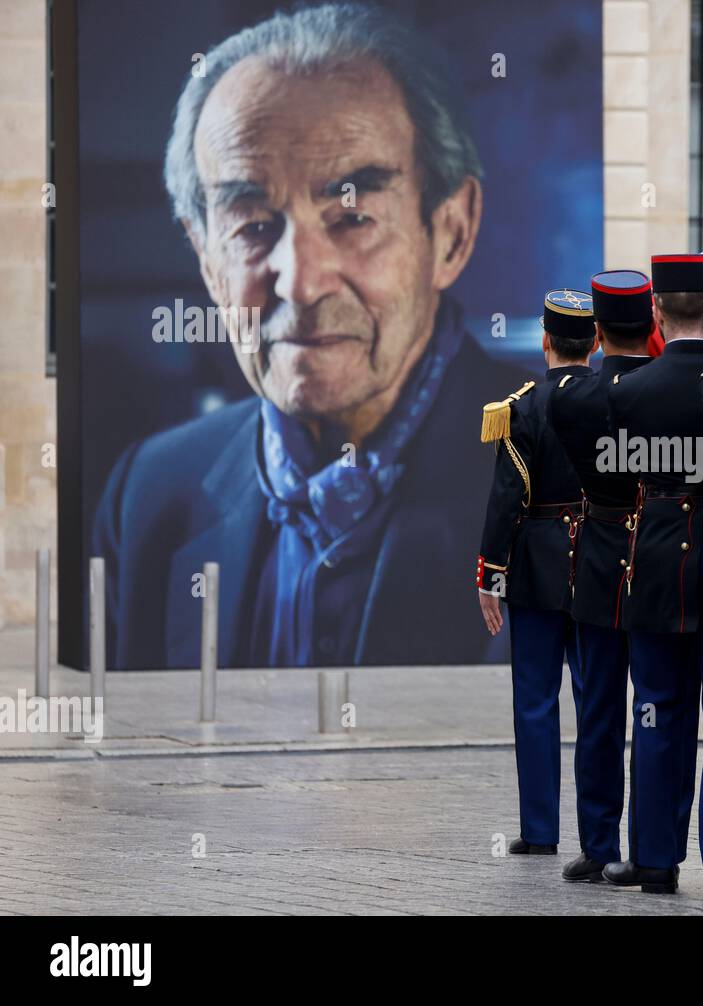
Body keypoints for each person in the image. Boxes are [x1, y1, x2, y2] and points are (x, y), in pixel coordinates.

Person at [92, 3, 530, 668]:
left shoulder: (565, 487)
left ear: (451, 232)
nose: (299, 282)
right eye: (252, 225)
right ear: (206, 259)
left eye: (352, 218)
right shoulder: (148, 495)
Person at [603, 254, 703, 897]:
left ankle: (655, 859)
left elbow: (622, 477)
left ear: (658, 311)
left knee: (657, 709)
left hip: (657, 554)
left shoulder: (630, 391)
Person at [476, 289, 595, 855]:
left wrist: (490, 576)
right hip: (601, 561)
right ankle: (601, 839)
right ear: (593, 343)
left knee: (535, 700)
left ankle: (541, 832)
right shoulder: (615, 400)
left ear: (546, 340)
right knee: (597, 701)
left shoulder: (521, 407)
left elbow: (507, 500)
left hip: (539, 564)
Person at [547, 270, 656, 882]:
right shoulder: (677, 387)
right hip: (664, 549)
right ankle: (651, 846)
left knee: (599, 709)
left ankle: (598, 842)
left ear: (596, 332)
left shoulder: (573, 395)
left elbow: (570, 381)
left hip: (597, 551)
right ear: (653, 324)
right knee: (659, 707)